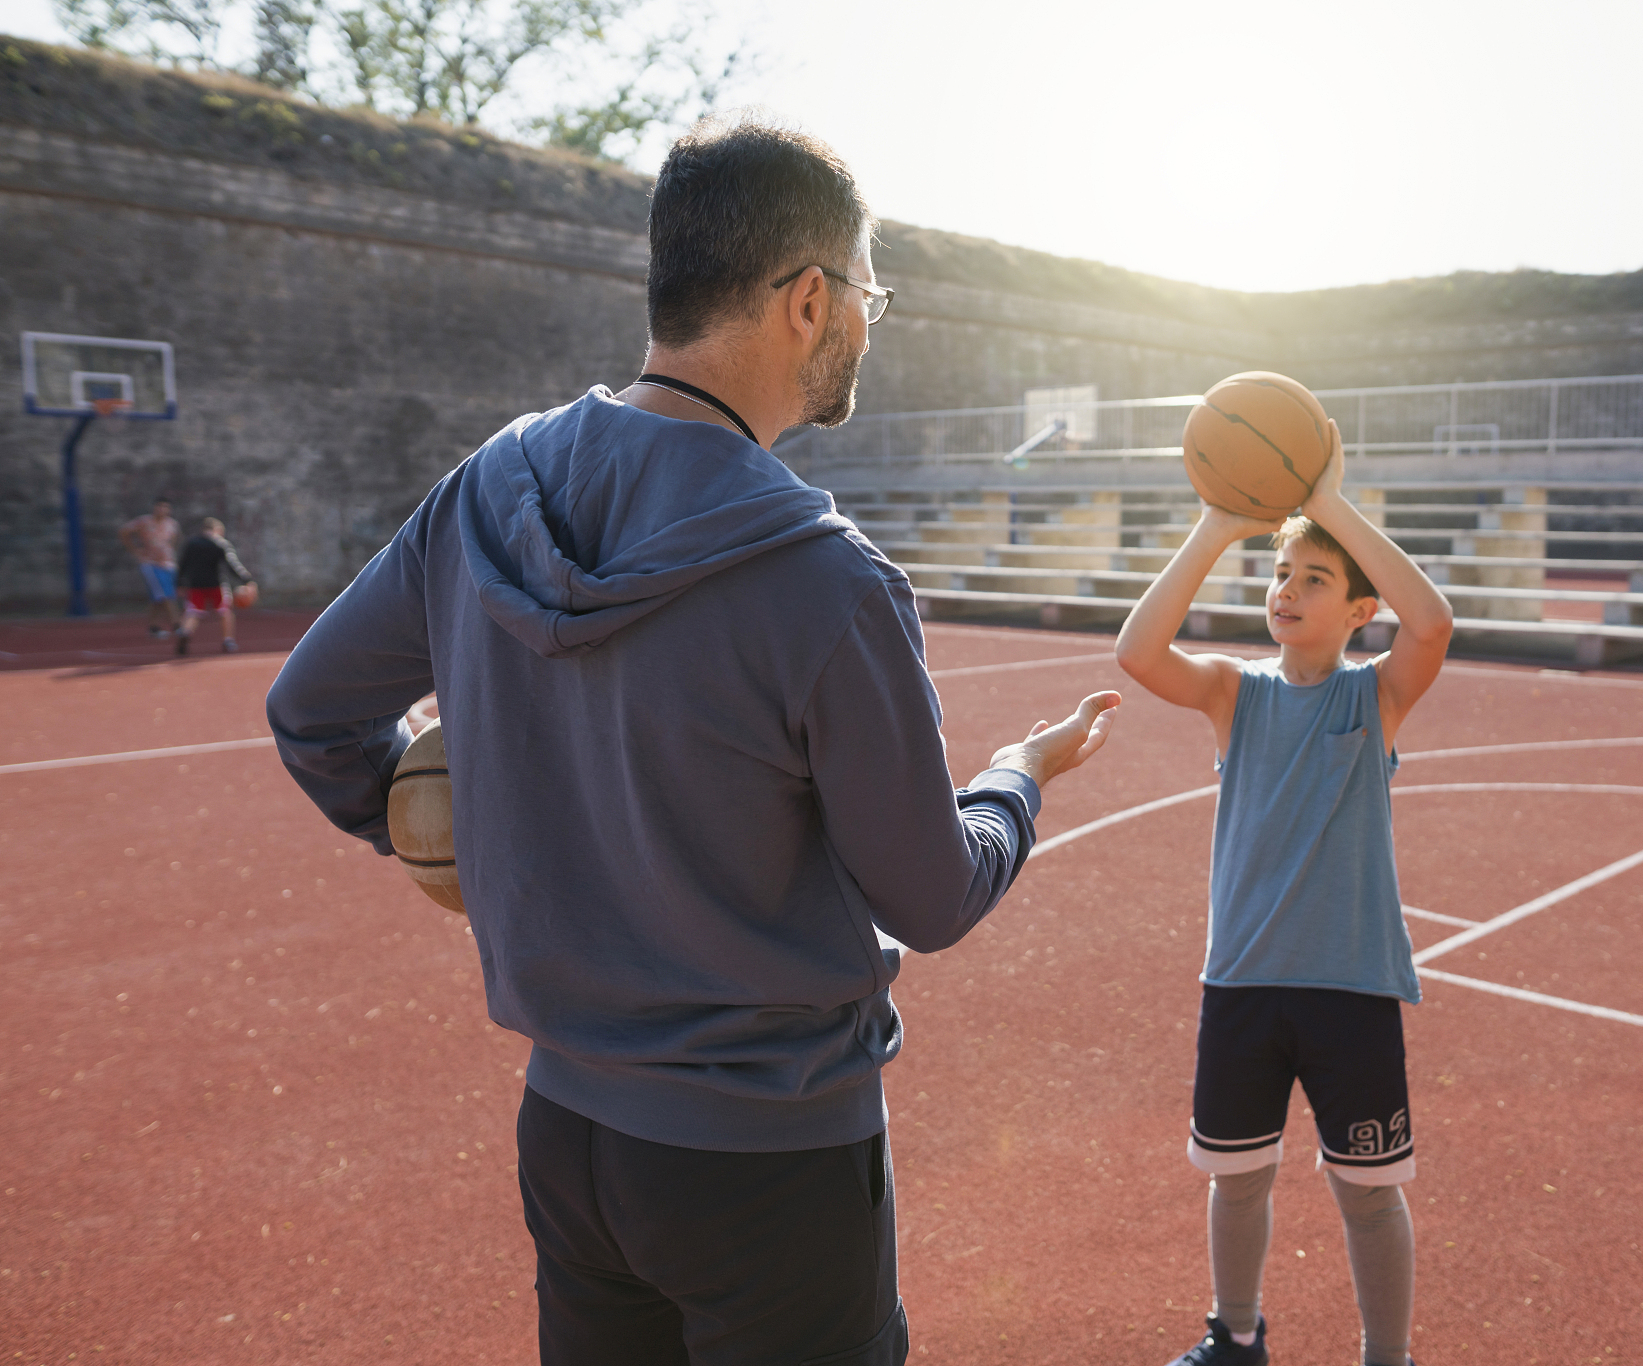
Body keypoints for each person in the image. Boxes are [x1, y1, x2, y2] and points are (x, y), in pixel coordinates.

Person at [265, 115, 1119, 1366]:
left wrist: (432, 829)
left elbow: (312, 712)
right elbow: (930, 896)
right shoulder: (829, 580)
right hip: (772, 1158)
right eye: (867, 293)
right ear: (809, 301)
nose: (868, 322)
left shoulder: (485, 491)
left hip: (567, 1132)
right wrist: (1019, 778)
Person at [1115, 422, 1454, 1366]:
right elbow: (1138, 654)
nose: (1288, 591)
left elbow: (1432, 625)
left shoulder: (1373, 698)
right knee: (1237, 1178)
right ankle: (1236, 1336)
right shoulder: (1236, 693)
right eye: (1282, 575)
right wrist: (1218, 527)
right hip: (1244, 982)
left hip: (1348, 984)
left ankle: (1386, 1356)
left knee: (1370, 1193)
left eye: (1314, 578)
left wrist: (1334, 504)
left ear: (1357, 611)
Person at [174, 516, 255, 656]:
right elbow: (232, 564)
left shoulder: (191, 544)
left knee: (193, 612)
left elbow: (182, 564)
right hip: (217, 583)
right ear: (217, 529)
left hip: (195, 584)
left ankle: (185, 632)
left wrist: (180, 583)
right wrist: (246, 579)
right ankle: (228, 640)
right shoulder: (220, 543)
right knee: (225, 611)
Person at [119, 496, 181, 637]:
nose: (162, 510)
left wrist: (170, 553)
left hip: (168, 564)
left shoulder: (172, 524)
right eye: (159, 506)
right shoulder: (144, 521)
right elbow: (124, 531)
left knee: (158, 597)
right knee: (166, 595)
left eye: (165, 507)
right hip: (151, 564)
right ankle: (177, 625)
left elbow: (174, 541)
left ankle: (153, 627)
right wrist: (135, 550)